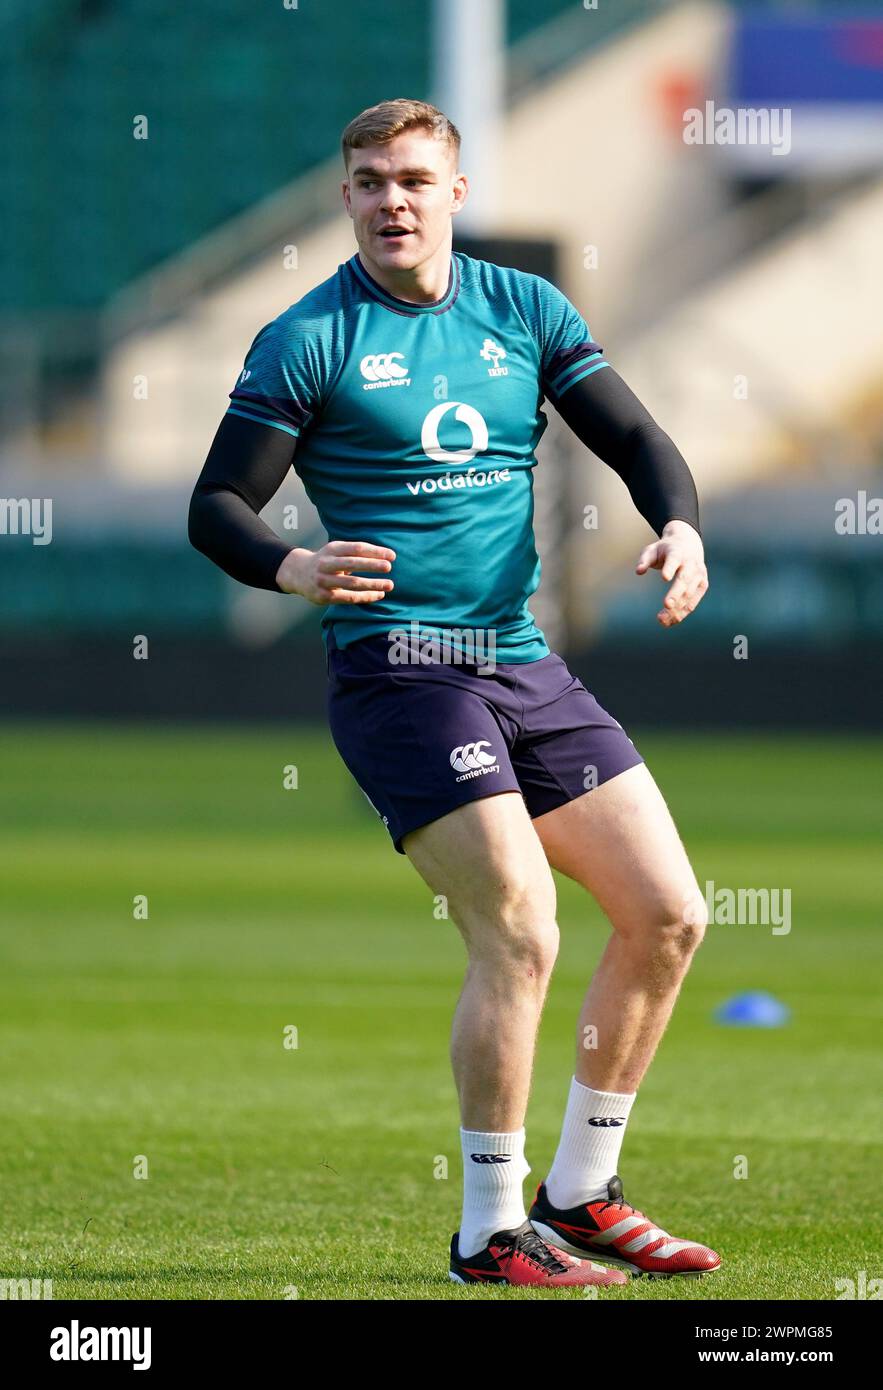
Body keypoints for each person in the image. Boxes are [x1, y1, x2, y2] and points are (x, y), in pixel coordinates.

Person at [189, 98, 718, 1288]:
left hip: (520, 659)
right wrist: (292, 564)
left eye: (415, 179)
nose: (392, 199)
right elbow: (214, 505)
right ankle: (487, 1230)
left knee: (670, 913)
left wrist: (679, 526)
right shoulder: (306, 335)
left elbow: (634, 435)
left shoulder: (521, 309)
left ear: (455, 193)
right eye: (369, 180)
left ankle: (580, 1197)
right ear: (346, 198)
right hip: (399, 672)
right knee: (522, 926)